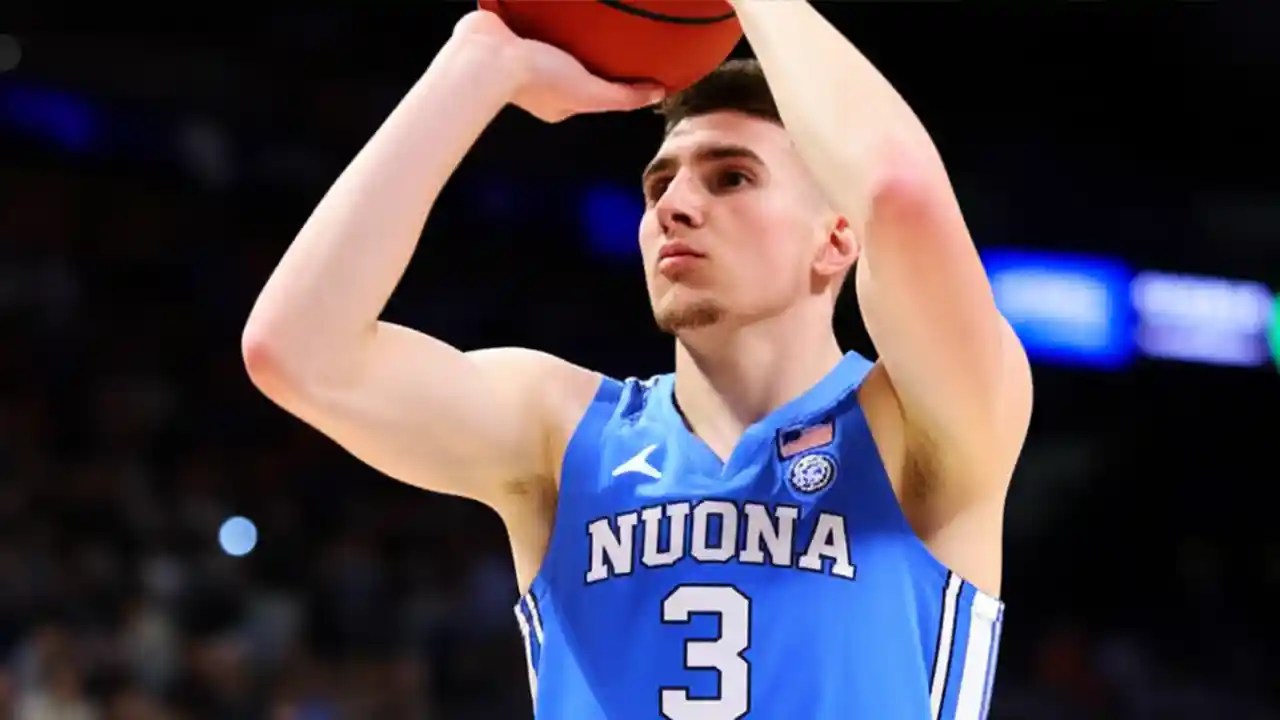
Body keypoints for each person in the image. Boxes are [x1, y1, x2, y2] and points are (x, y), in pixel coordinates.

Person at [242, 3, 1033, 718]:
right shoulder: (561, 434)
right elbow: (298, 350)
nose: (675, 207)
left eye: (733, 177)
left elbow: (899, 190)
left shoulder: (919, 424)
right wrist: (479, 63)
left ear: (834, 238)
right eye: (659, 185)